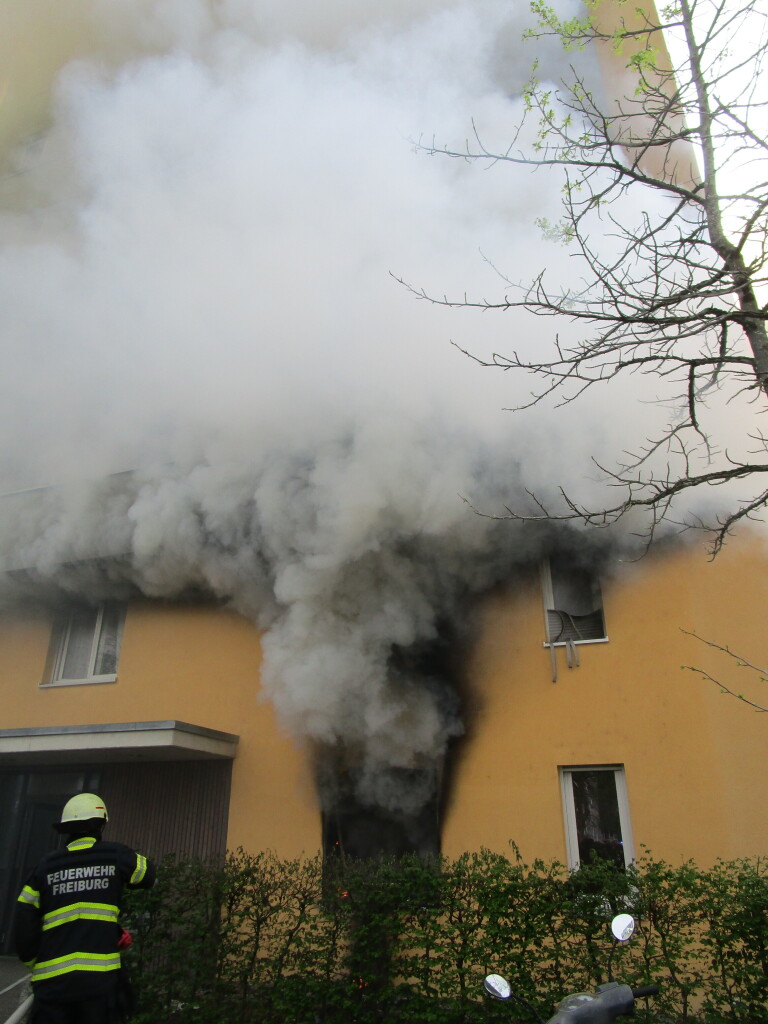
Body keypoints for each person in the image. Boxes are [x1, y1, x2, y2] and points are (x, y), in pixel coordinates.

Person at [14, 792, 155, 1024]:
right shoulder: (115, 855)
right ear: (100, 825)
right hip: (99, 988)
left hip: (53, 990)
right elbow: (148, 875)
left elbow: (23, 922)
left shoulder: (45, 867)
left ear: (66, 829)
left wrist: (35, 962)